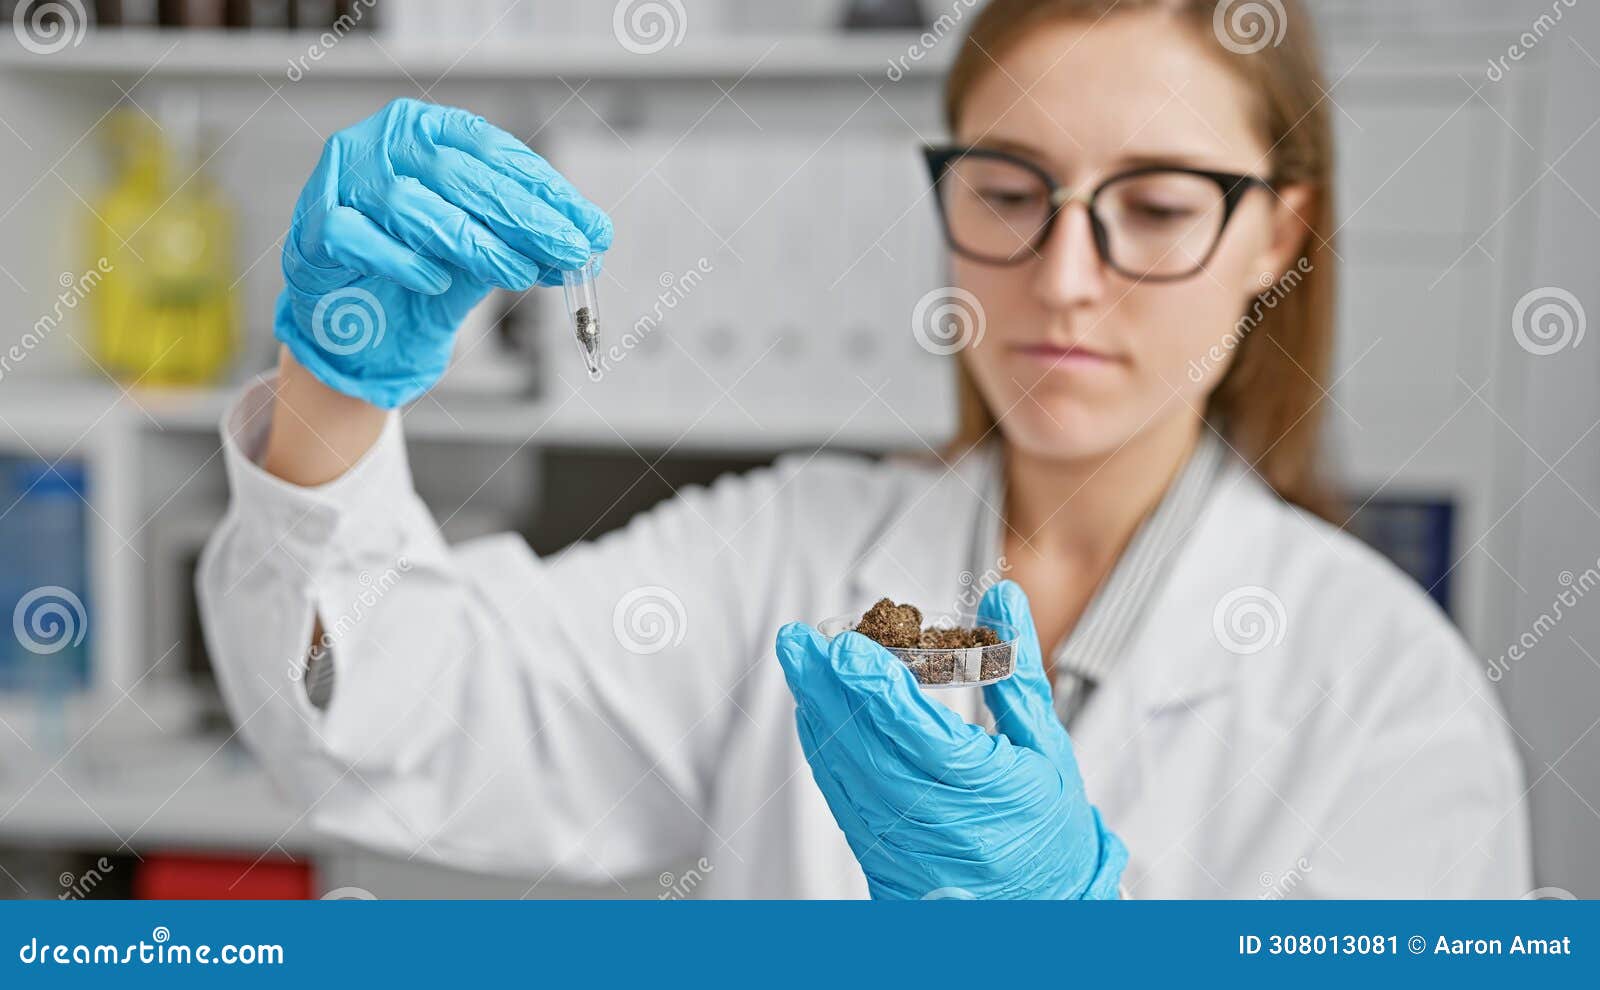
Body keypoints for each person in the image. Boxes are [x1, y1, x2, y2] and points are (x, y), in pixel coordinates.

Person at [197, 0, 1530, 898]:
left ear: (1279, 237)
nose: (1066, 277)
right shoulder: (785, 550)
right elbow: (379, 722)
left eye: (1159, 204)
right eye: (1009, 192)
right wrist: (337, 381)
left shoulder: (1384, 693)